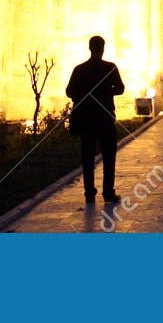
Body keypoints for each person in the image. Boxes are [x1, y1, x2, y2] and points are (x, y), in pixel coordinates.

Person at [66, 35, 125, 204]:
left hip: (86, 119)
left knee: (87, 157)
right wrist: (107, 91)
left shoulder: (80, 69)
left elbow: (70, 92)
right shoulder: (110, 68)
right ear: (102, 48)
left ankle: (89, 194)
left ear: (90, 48)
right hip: (105, 118)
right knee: (108, 157)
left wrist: (85, 93)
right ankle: (108, 192)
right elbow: (120, 89)